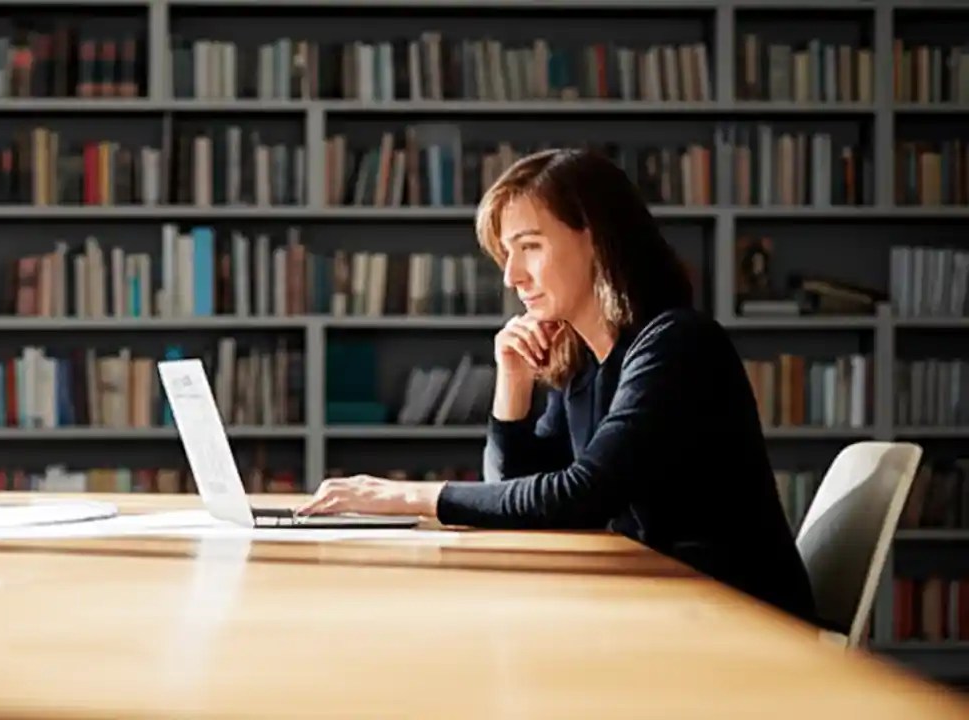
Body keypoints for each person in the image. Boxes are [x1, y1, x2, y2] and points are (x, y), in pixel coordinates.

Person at [296, 147, 819, 627]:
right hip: (669, 610)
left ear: (597, 239)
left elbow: (582, 494)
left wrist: (408, 496)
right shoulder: (584, 363)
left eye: (530, 246)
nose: (513, 276)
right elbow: (518, 495)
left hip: (740, 622)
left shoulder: (677, 344)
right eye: (507, 253)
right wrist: (513, 382)